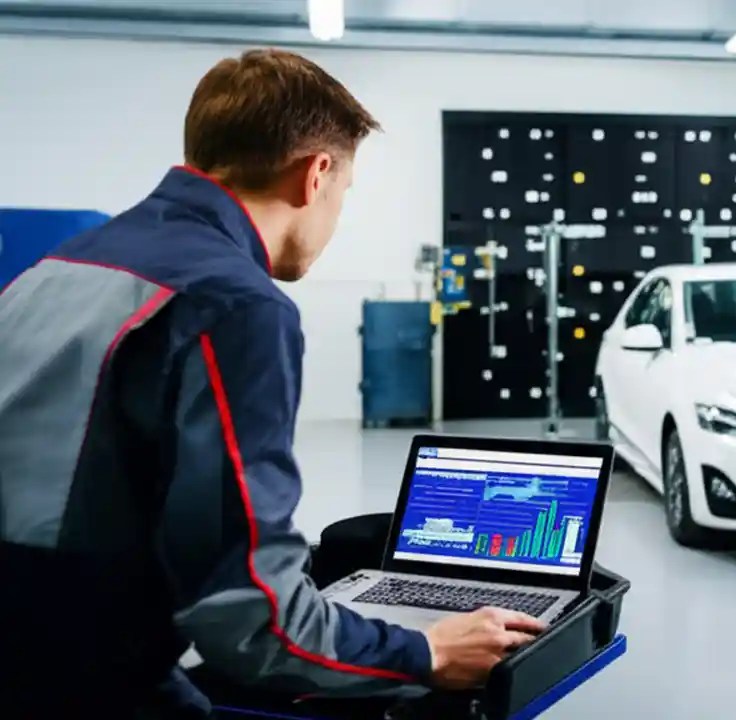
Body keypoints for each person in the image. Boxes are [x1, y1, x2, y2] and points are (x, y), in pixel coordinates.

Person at [0, 49, 543, 717]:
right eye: (345, 192)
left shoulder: (58, 264)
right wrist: (426, 650)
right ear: (317, 175)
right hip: (78, 684)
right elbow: (252, 624)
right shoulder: (234, 303)